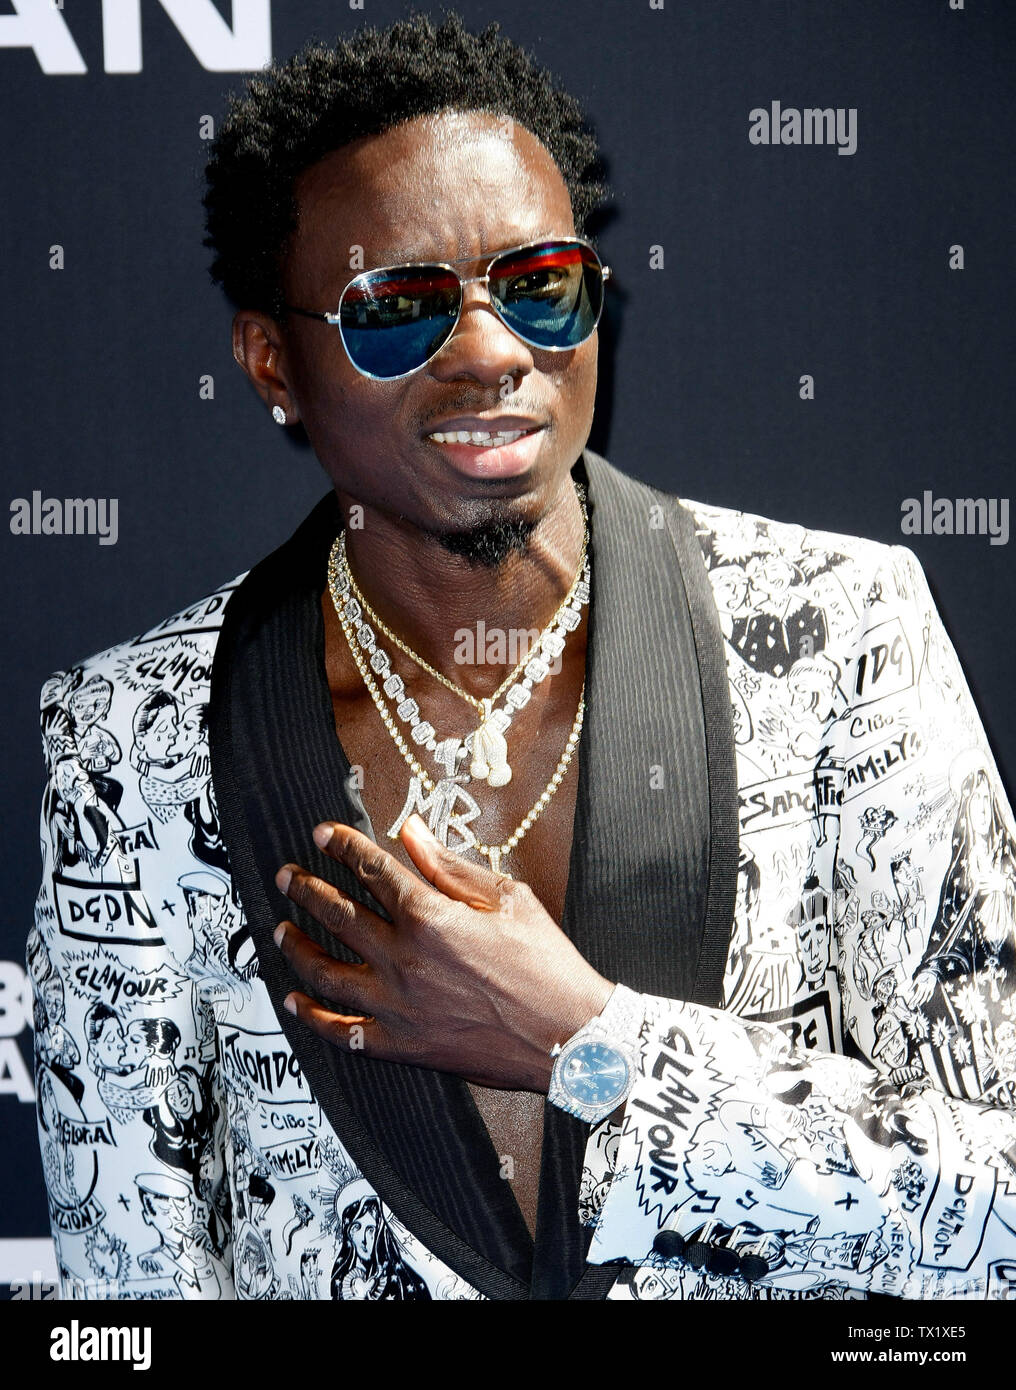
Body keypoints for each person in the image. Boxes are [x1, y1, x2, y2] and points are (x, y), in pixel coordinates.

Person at [28, 13, 1016, 1302]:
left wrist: (584, 1044)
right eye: (397, 309)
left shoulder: (845, 631)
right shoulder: (128, 738)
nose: (496, 353)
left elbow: (997, 1203)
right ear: (273, 363)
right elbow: (128, 1308)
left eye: (540, 284)